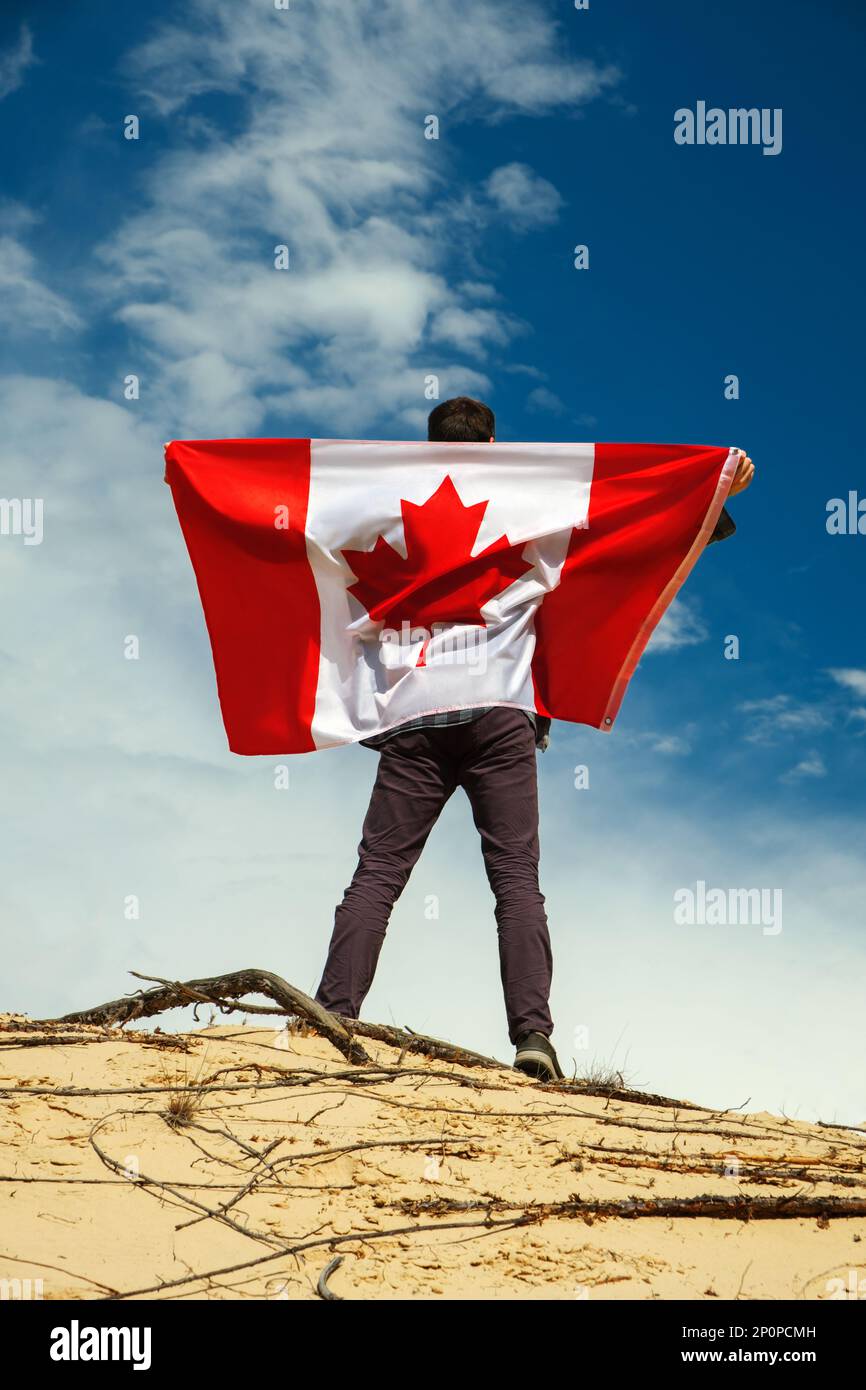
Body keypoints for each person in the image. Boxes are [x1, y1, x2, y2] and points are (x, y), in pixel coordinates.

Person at [314, 397, 755, 1080]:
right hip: (499, 714)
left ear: (428, 442)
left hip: (415, 716)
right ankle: (533, 1040)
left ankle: (332, 1016)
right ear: (493, 440)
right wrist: (714, 490)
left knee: (376, 876)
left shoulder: (384, 498)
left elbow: (294, 515)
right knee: (516, 880)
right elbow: (644, 519)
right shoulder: (534, 492)